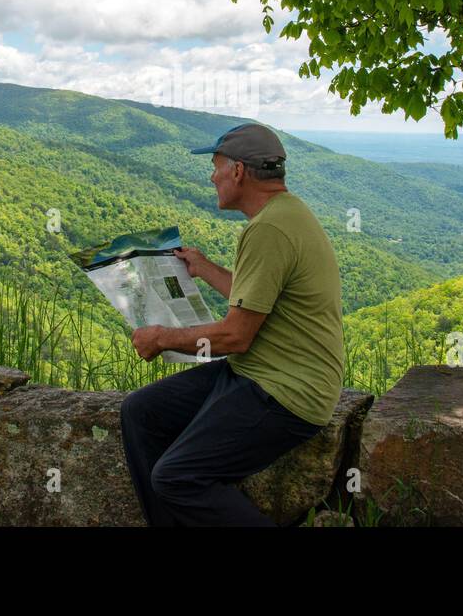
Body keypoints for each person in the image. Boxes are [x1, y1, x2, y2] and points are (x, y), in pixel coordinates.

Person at [119, 123, 346, 526]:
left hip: (286, 390)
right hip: (259, 372)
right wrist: (203, 267)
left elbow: (236, 336)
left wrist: (161, 338)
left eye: (216, 166)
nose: (212, 177)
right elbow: (256, 301)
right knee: (141, 411)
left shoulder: (269, 230)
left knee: (178, 476)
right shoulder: (284, 214)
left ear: (238, 171)